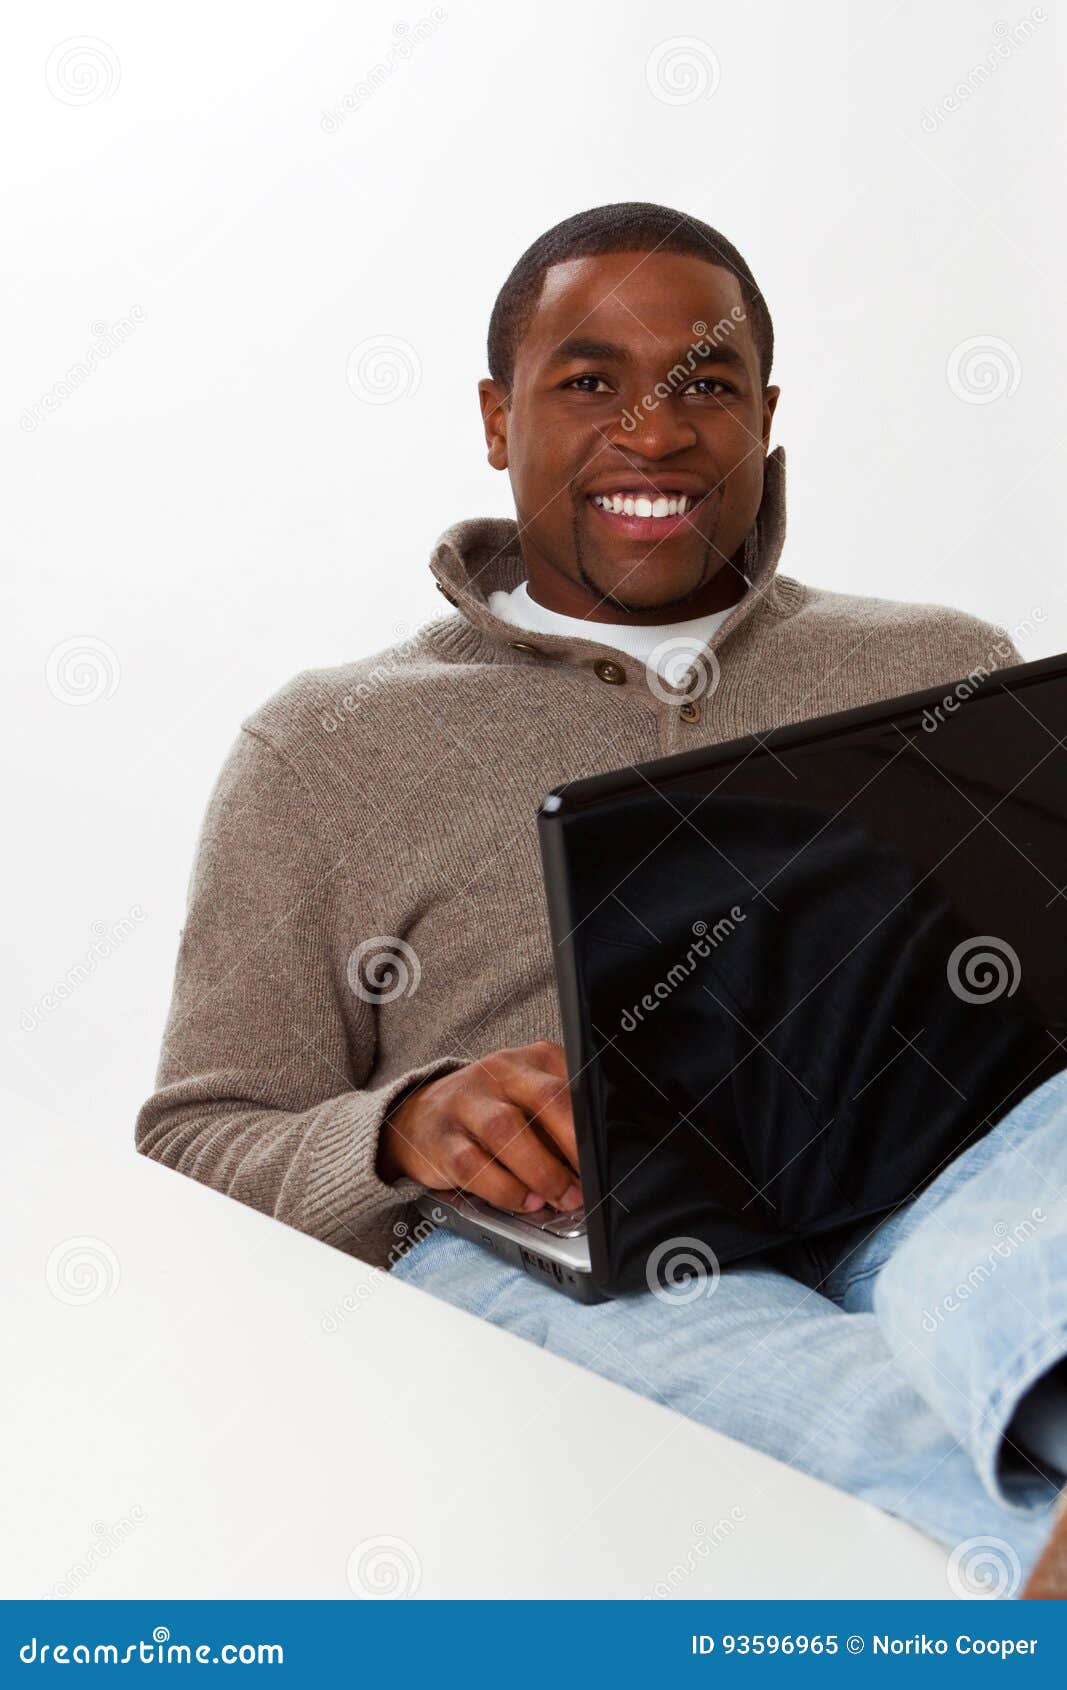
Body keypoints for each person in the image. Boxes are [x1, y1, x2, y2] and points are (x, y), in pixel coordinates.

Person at [136, 202, 1066, 1594]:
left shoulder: (945, 662)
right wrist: (403, 1125)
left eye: (705, 384)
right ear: (500, 419)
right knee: (785, 1372)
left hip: (927, 1166)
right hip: (576, 1240)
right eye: (590, 383)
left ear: (765, 415)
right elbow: (198, 1132)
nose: (654, 430)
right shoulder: (325, 742)